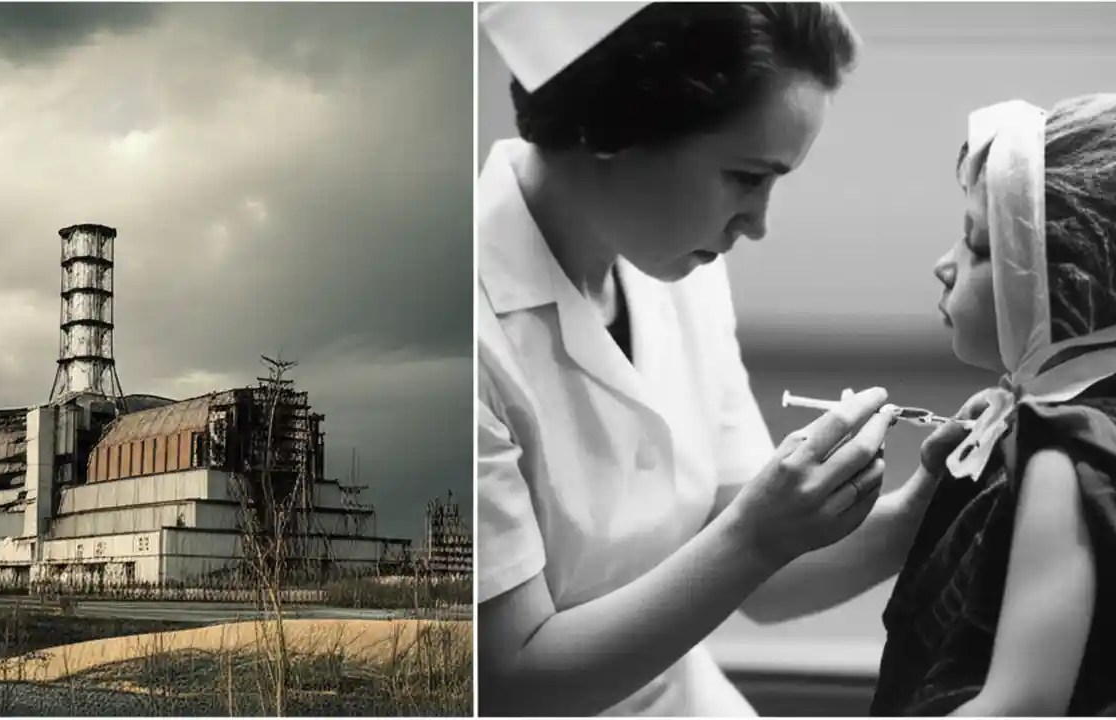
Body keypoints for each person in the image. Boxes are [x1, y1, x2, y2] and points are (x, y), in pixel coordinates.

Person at [477, 3, 979, 716]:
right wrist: (755, 534)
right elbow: (512, 680)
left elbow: (767, 587)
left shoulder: (682, 271)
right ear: (614, 123)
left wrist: (920, 507)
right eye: (746, 177)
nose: (759, 224)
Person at [872, 95, 1116, 716]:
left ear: (1065, 283)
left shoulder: (1066, 458)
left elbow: (1019, 706)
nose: (944, 266)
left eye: (978, 247)